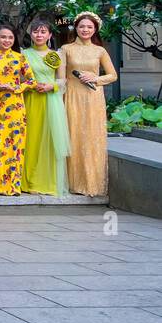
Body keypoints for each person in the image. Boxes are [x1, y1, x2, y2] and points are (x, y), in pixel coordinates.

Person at [59, 11, 117, 197]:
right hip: (73, 97)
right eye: (82, 26)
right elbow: (61, 79)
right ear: (75, 27)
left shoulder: (100, 51)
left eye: (89, 27)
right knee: (74, 136)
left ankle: (92, 183)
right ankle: (74, 183)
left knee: (92, 138)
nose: (85, 30)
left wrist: (96, 77)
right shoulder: (66, 49)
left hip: (93, 98)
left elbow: (113, 75)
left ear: (95, 29)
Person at [0, 23, 34, 196]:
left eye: (10, 37)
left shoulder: (20, 58)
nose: (7, 40)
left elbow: (31, 81)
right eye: (3, 37)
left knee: (14, 145)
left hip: (15, 107)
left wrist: (14, 87)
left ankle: (12, 185)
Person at [22, 18, 70, 197]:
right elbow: (18, 78)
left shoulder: (56, 55)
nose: (39, 35)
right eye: (36, 31)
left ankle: (45, 182)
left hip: (50, 101)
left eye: (43, 32)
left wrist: (52, 86)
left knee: (48, 141)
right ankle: (26, 181)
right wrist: (30, 84)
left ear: (49, 35)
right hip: (30, 98)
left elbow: (63, 79)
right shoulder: (23, 54)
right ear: (31, 34)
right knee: (30, 139)